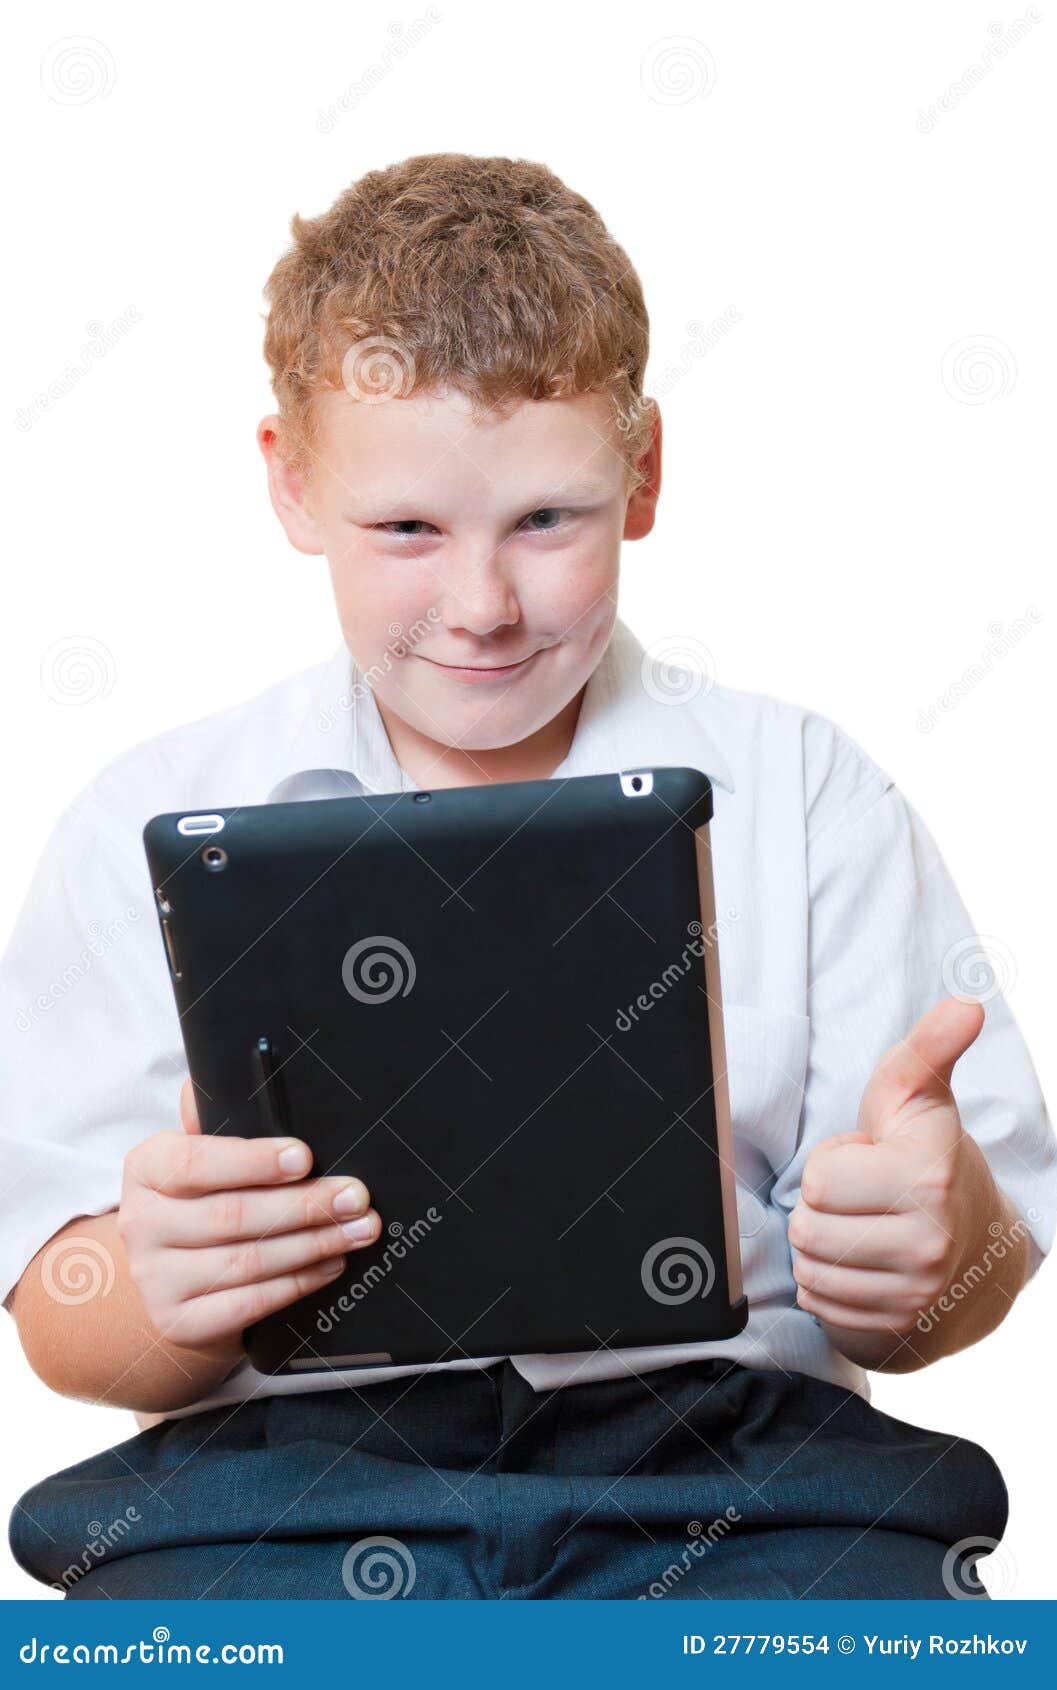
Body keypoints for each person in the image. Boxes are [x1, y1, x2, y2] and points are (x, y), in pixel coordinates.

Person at [4, 153, 1054, 1600]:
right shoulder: (150, 818)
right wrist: (167, 1294)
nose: (483, 607)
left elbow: (966, 1275)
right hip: (283, 1486)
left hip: (736, 1476)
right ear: (292, 486)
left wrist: (939, 1254)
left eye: (546, 521)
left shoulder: (807, 794)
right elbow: (65, 1318)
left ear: (643, 474)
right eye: (407, 530)